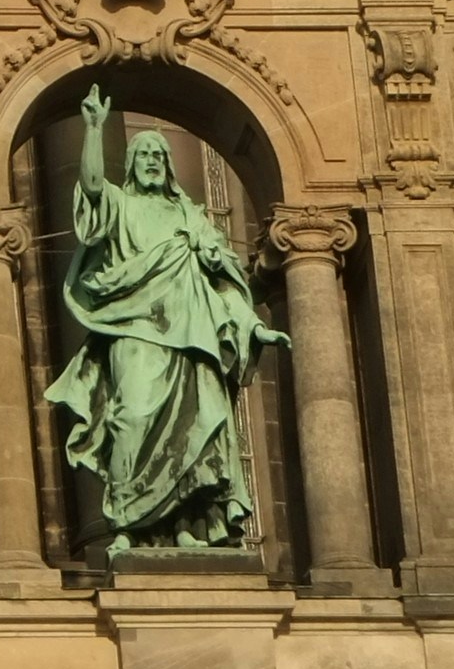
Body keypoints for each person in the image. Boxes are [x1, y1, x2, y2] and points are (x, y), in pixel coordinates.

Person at [40, 93, 285, 552]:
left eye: (159, 154)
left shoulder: (189, 215)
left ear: (169, 165)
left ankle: (185, 525)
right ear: (131, 164)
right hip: (134, 328)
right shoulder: (118, 204)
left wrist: (251, 326)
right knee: (130, 417)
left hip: (192, 337)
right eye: (144, 154)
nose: (152, 160)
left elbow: (225, 278)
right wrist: (94, 129)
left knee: (197, 424)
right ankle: (128, 526)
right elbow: (91, 188)